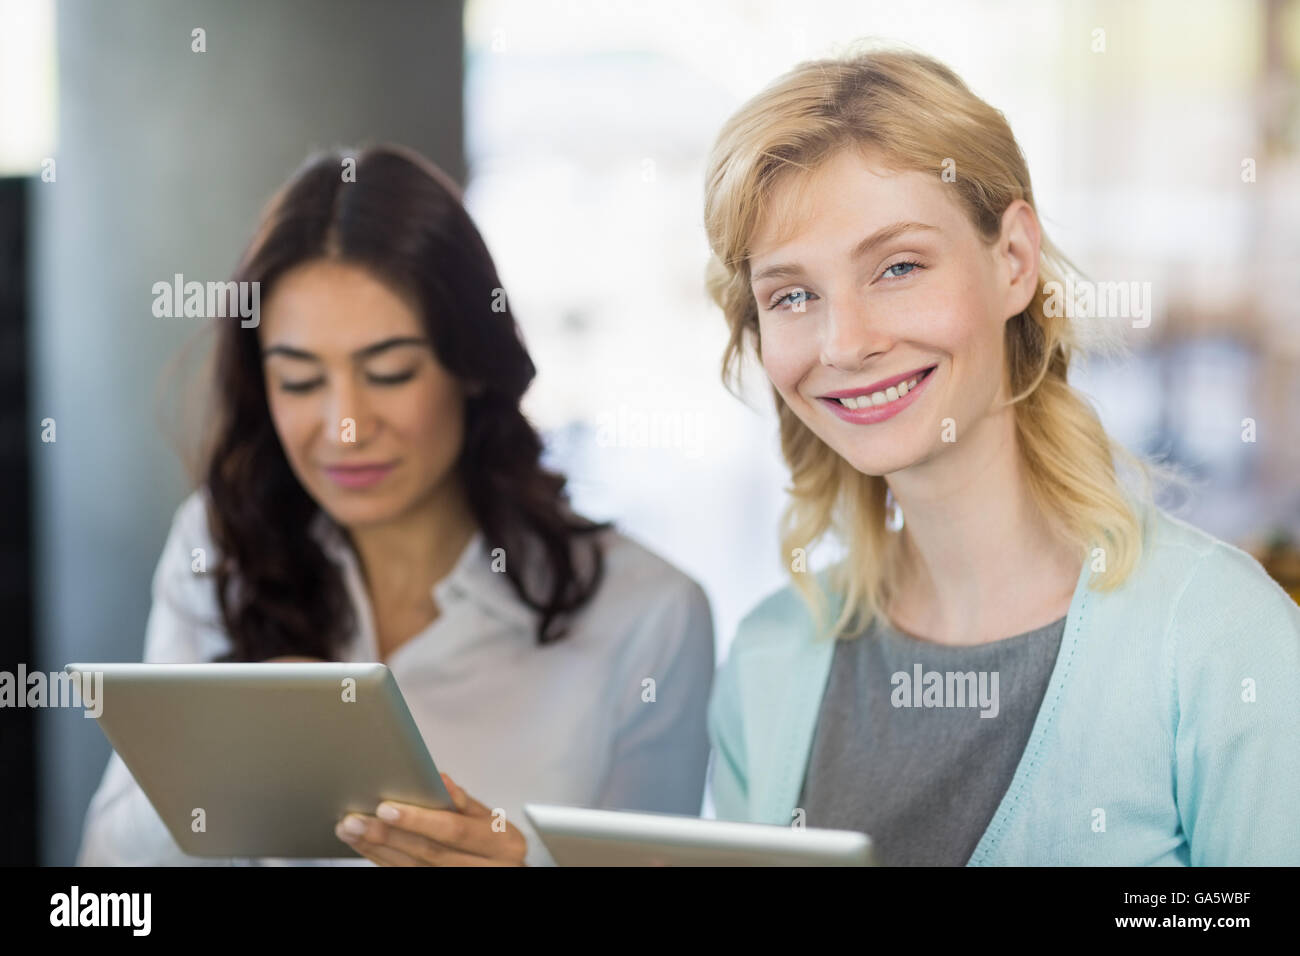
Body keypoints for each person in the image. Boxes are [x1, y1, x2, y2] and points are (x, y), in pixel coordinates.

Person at [702, 47, 1300, 865]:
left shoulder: (1223, 643)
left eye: (899, 266)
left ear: (1013, 259)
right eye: (793, 294)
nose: (844, 343)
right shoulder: (771, 655)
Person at [77, 144, 715, 867]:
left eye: (389, 372)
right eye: (299, 382)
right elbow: (109, 876)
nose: (346, 426)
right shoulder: (220, 547)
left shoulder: (649, 615)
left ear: (472, 365)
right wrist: (221, 748)